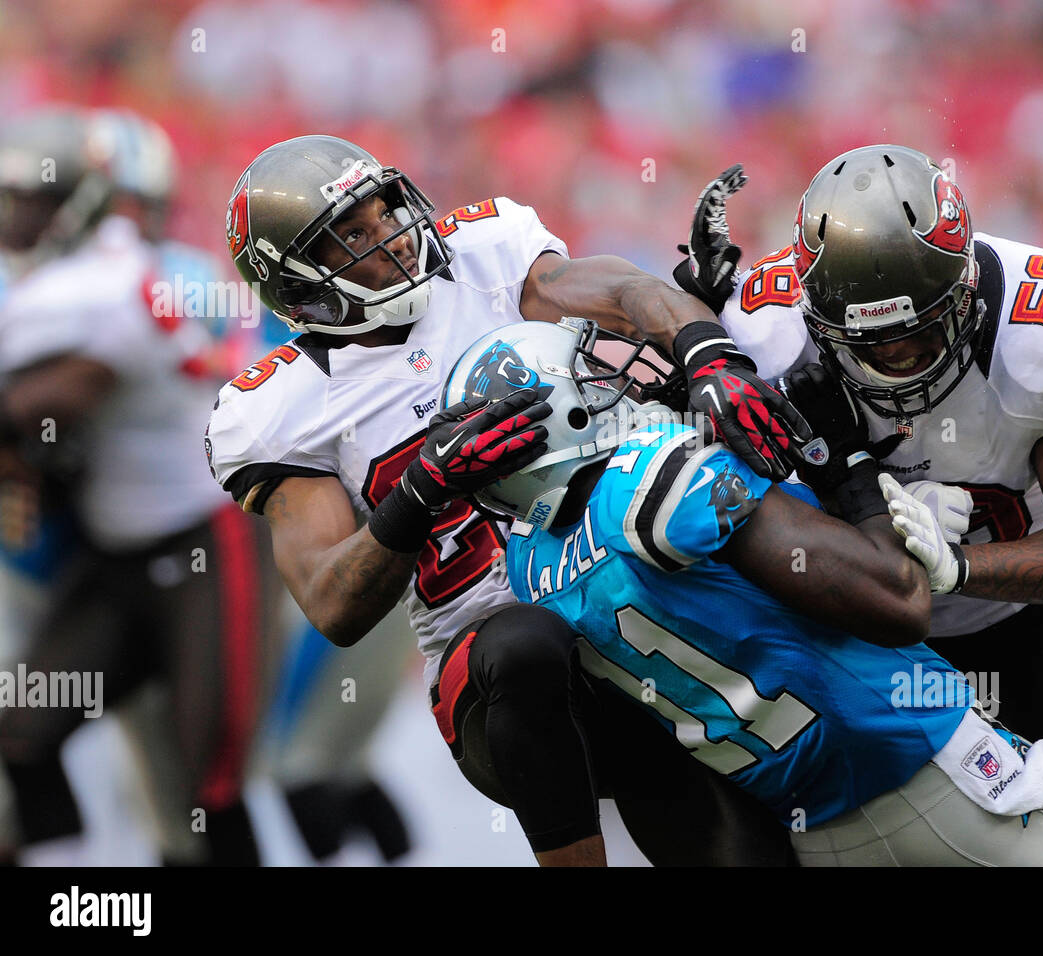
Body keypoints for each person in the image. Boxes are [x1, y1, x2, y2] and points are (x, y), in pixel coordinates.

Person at [205, 134, 805, 866]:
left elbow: (622, 291)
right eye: (352, 236)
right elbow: (334, 606)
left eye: (385, 211)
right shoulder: (282, 406)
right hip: (495, 678)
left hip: (628, 601)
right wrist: (423, 489)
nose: (391, 237)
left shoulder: (486, 255)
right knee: (525, 643)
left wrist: (706, 349)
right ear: (299, 282)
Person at [451, 316, 1043, 866]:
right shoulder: (658, 478)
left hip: (820, 831)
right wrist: (857, 476)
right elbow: (895, 601)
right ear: (564, 412)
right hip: (943, 774)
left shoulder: (532, 566)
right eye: (587, 375)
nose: (613, 378)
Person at [673, 147, 1043, 775]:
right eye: (871, 340)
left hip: (1034, 615)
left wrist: (957, 568)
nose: (899, 359)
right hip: (860, 626)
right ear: (817, 318)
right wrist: (694, 328)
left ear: (966, 290)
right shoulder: (767, 333)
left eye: (919, 333)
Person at [0, 106, 282, 865]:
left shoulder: (118, 276)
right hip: (109, 551)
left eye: (28, 198)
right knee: (21, 726)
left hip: (206, 540)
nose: (13, 217)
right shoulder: (76, 276)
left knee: (209, 782)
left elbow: (61, 395)